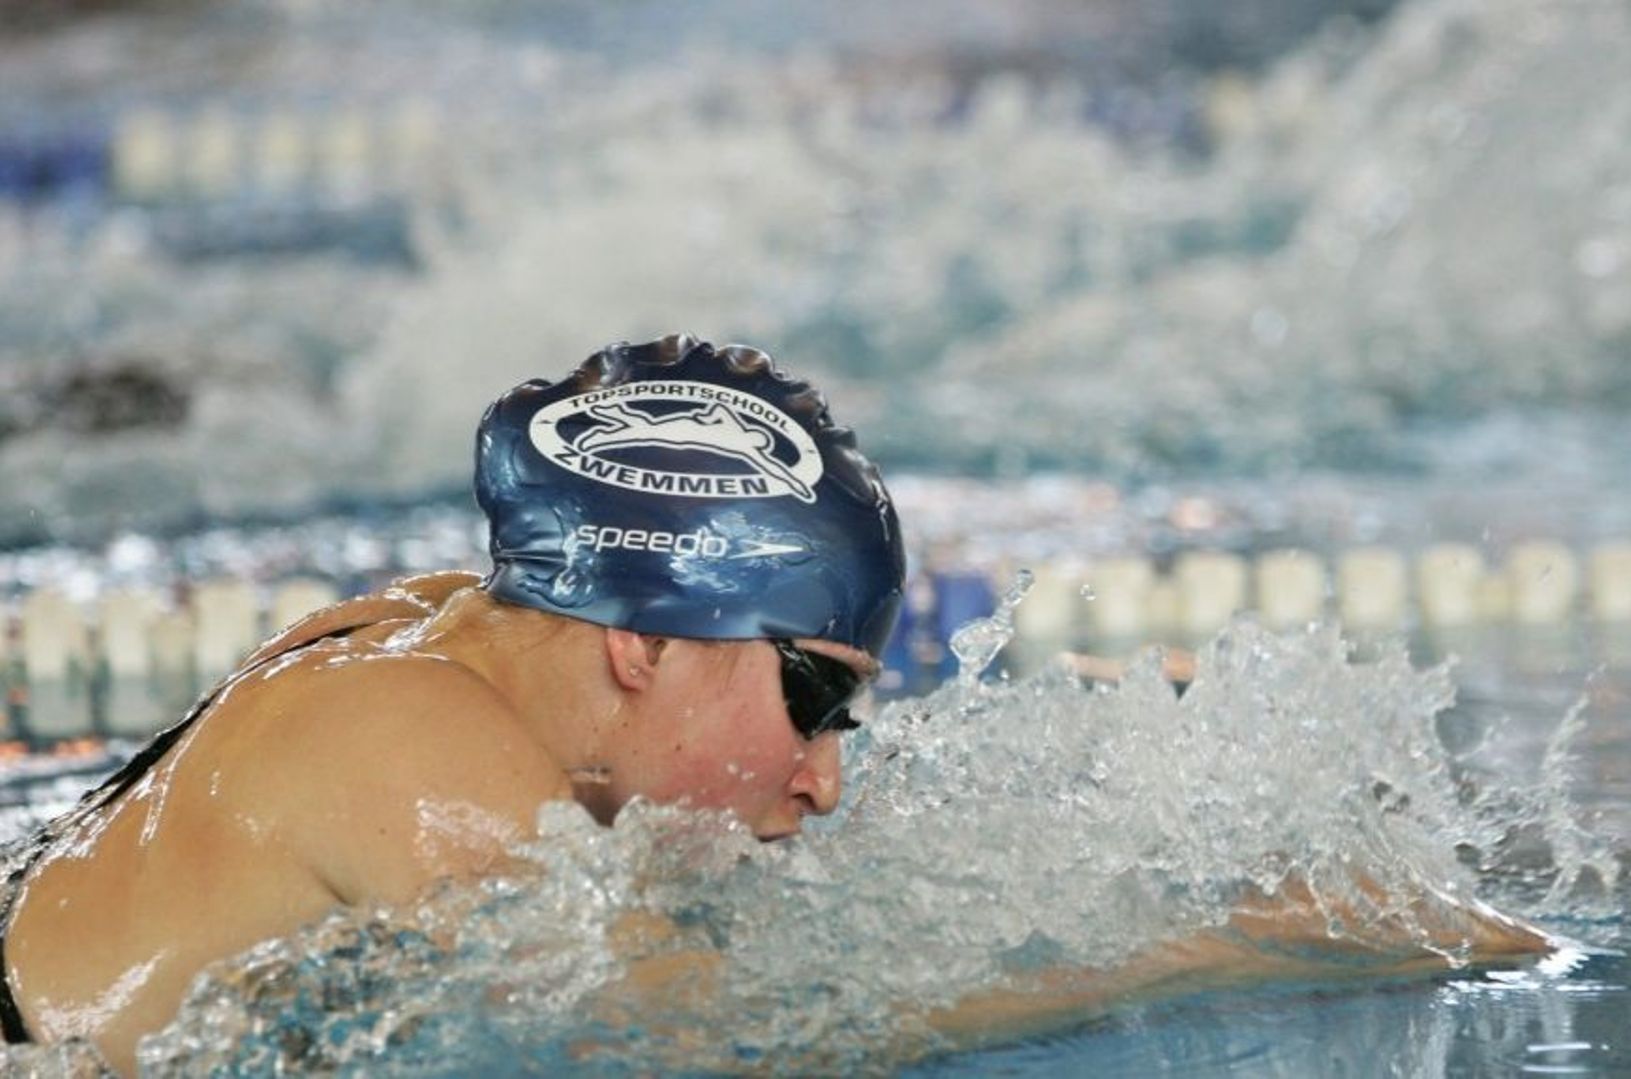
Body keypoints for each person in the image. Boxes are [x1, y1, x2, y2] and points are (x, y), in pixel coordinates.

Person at [0, 335, 1549, 1073]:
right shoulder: (408, 740)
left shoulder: (437, 634)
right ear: (642, 639)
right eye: (812, 697)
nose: (822, 778)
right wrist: (1242, 941)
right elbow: (687, 1040)